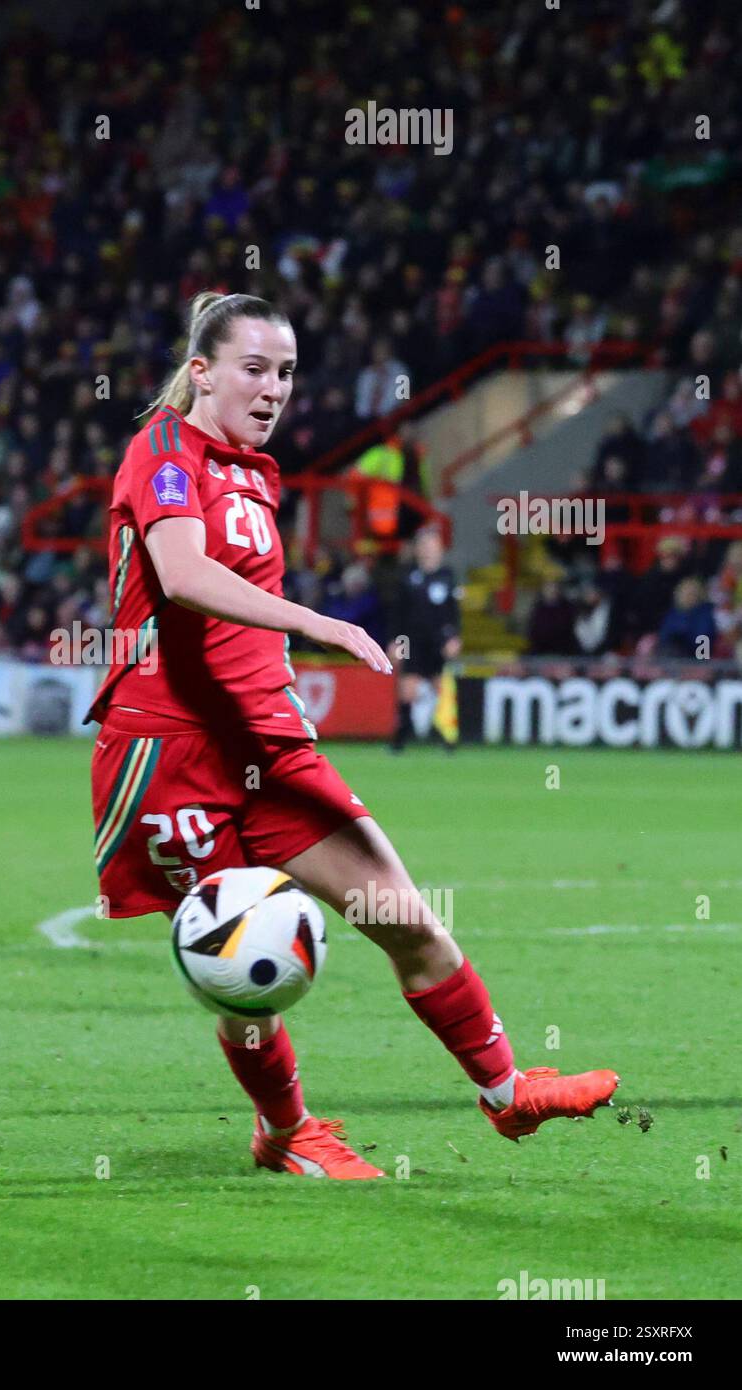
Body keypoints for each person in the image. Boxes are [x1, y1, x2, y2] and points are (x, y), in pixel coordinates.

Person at [87, 291, 618, 1180]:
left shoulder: (255, 469)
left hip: (267, 746)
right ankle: (286, 1131)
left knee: (405, 917)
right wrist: (317, 623)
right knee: (240, 958)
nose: (272, 389)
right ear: (202, 371)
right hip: (172, 751)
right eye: (253, 369)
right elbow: (180, 575)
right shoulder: (164, 454)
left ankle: (506, 1095)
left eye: (286, 373)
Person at [389, 527, 462, 751]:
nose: (428, 550)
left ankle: (447, 735)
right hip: (412, 640)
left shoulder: (448, 576)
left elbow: (454, 612)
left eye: (432, 545)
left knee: (441, 688)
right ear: (418, 549)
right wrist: (395, 641)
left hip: (439, 641)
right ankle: (401, 735)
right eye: (424, 545)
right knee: (408, 688)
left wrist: (455, 638)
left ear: (440, 549)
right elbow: (398, 613)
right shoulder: (407, 576)